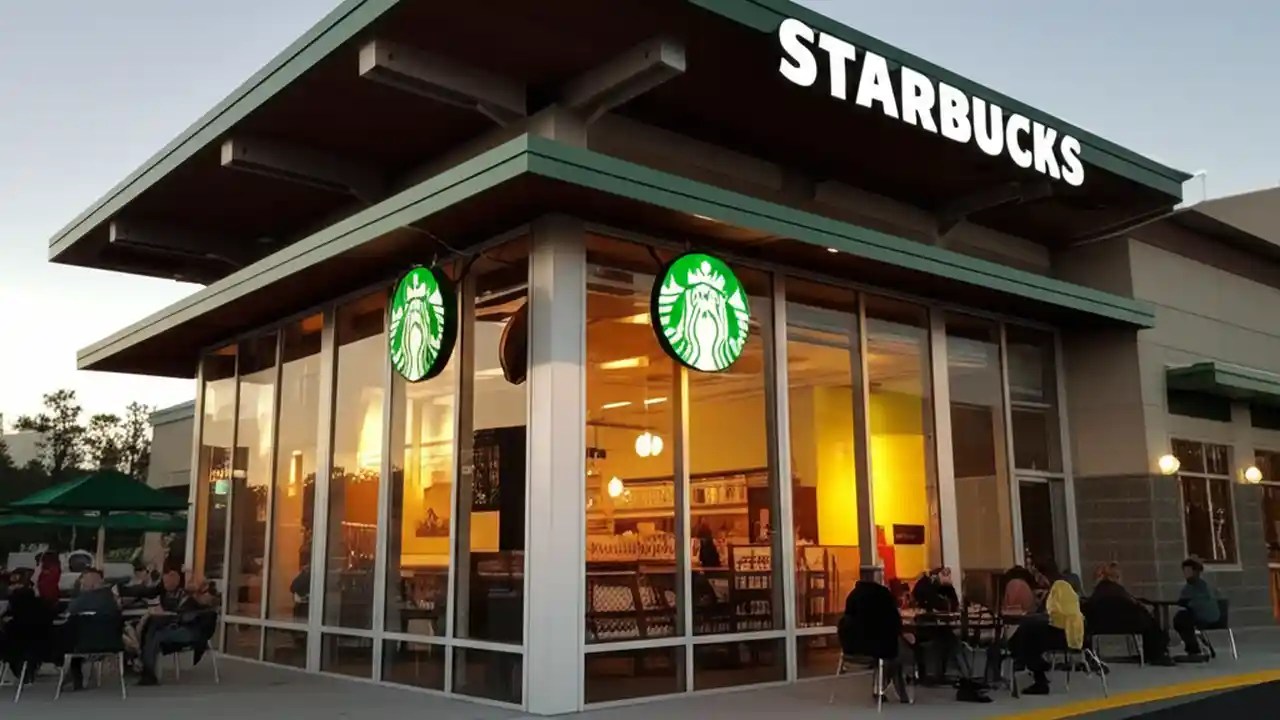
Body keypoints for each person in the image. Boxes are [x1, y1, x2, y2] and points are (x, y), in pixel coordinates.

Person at [1008, 559, 1084, 695]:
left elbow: (1057, 615)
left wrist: (1038, 614)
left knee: (1027, 634)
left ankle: (1027, 663)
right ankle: (1032, 665)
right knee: (1027, 634)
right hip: (1064, 631)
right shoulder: (1060, 586)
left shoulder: (1060, 587)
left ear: (1043, 574)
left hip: (1062, 633)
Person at [838, 566, 913, 703]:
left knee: (895, 652)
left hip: (853, 648)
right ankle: (887, 689)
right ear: (876, 577)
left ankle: (882, 688)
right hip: (875, 648)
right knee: (899, 653)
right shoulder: (882, 596)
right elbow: (895, 622)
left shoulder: (852, 596)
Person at [137, 569, 217, 686]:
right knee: (152, 629)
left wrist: (172, 616)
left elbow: (187, 618)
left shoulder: (205, 606)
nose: (191, 585)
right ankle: (147, 669)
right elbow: (181, 614)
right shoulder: (191, 600)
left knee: (156, 634)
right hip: (184, 627)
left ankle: (148, 671)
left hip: (192, 633)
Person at [1086, 562, 1174, 666]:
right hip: (1128, 624)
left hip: (1100, 626)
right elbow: (1134, 606)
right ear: (1115, 577)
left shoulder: (1098, 593)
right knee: (1149, 623)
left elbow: (1089, 608)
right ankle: (1156, 654)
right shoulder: (1119, 591)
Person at [63, 568, 124, 691]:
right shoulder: (110, 600)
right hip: (111, 644)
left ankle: (75, 676)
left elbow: (68, 617)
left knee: (73, 637)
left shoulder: (77, 602)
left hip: (80, 645)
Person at [1173, 558, 1219, 662]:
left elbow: (1203, 602)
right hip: (1195, 615)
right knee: (1180, 618)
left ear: (1196, 572)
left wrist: (1191, 603)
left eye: (1189, 571)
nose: (1186, 574)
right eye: (1184, 571)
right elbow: (1183, 601)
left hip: (1207, 616)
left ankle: (1195, 650)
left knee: (1181, 619)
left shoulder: (1203, 586)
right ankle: (1193, 648)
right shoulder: (1187, 587)